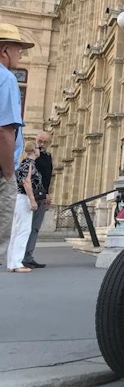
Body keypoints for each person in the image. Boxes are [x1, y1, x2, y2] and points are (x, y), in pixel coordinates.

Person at [0, 23, 33, 266]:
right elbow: (4, 130)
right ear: (4, 51)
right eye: (18, 50)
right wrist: (8, 174)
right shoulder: (6, 79)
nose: (20, 55)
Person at [7, 140, 41, 273]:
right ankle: (17, 263)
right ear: (34, 150)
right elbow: (26, 182)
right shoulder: (29, 164)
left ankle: (13, 263)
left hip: (19, 198)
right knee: (23, 230)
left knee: (16, 231)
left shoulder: (24, 163)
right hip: (24, 198)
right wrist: (32, 200)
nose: (40, 150)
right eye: (38, 148)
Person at [23, 131, 52, 268]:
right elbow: (27, 180)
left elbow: (47, 178)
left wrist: (47, 194)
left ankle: (28, 256)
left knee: (35, 228)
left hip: (42, 196)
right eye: (39, 141)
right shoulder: (30, 160)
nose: (41, 144)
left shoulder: (48, 157)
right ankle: (20, 256)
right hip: (30, 197)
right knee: (25, 227)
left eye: (45, 142)